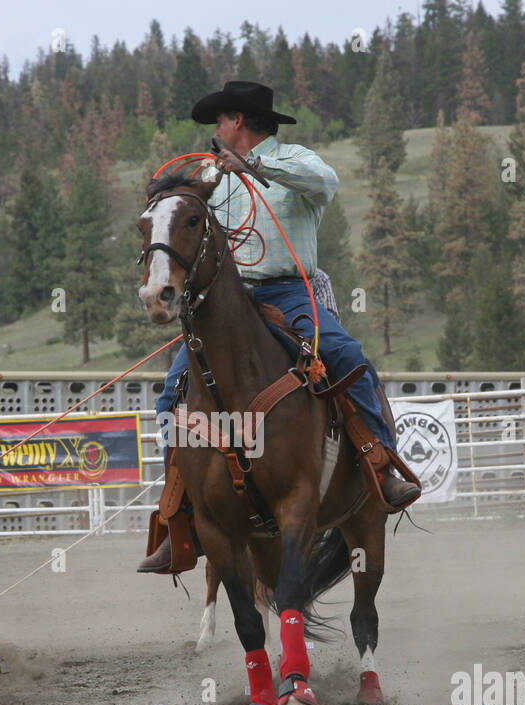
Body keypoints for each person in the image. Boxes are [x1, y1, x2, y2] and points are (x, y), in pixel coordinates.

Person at [139, 80, 420, 573]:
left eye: (220, 122)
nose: (216, 132)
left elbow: (325, 183)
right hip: (227, 303)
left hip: (291, 293)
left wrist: (253, 167)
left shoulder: (296, 160)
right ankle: (180, 509)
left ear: (239, 123)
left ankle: (381, 465)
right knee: (172, 392)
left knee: (349, 358)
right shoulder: (211, 175)